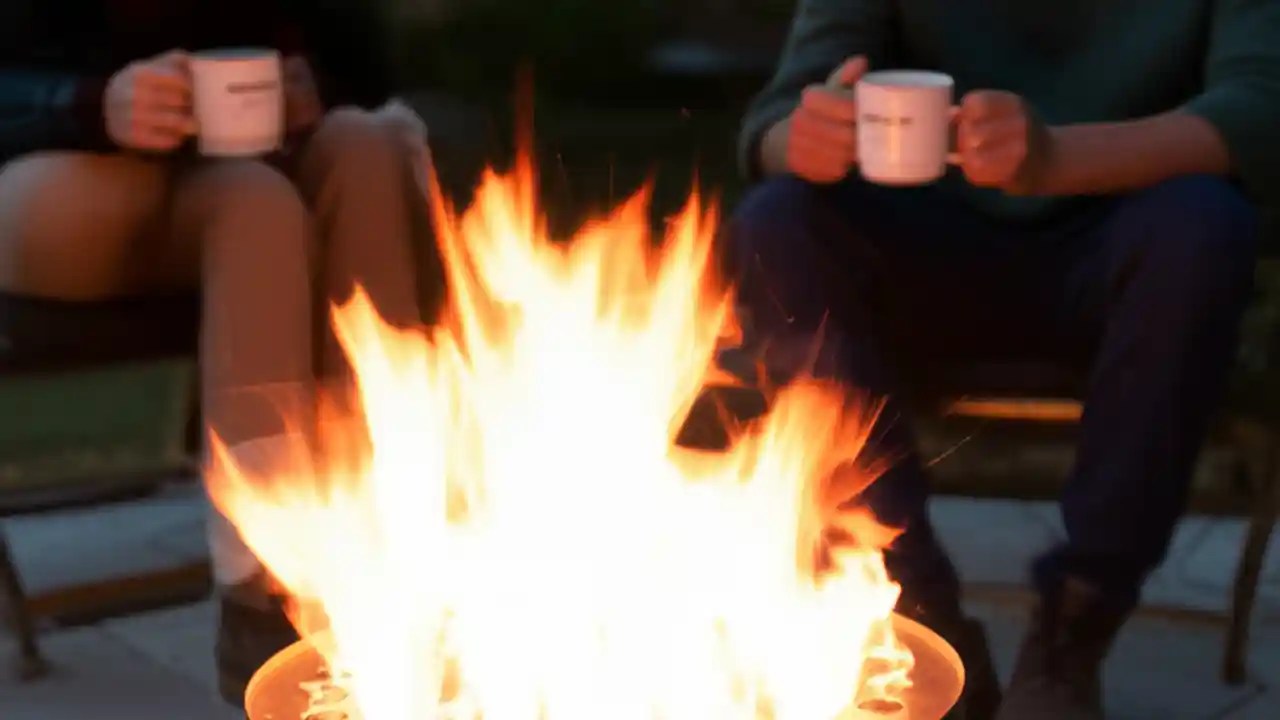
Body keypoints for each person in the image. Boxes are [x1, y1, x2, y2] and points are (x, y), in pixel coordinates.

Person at [730, 1, 1276, 718]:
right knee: (775, 224)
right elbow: (774, 120)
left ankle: (1071, 635)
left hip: (1129, 245)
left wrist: (1057, 160)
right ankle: (919, 620)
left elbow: (1259, 111)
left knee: (1205, 227)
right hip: (920, 250)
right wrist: (801, 138)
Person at [0, 0, 436, 706]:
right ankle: (259, 594)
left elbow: (366, 64)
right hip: (62, 175)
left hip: (250, 170)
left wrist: (311, 84)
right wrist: (86, 102)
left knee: (367, 148)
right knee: (254, 206)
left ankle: (383, 527)